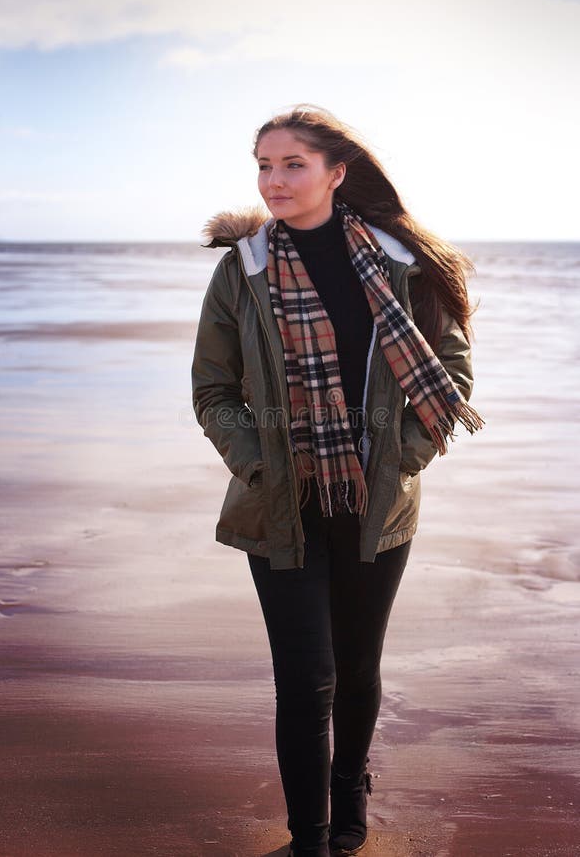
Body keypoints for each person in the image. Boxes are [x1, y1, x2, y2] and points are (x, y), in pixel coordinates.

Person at [191, 105, 483, 857]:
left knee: (357, 670)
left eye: (292, 163)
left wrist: (402, 459)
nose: (274, 179)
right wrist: (262, 463)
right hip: (281, 506)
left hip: (378, 503)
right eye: (263, 164)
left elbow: (449, 376)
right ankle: (310, 838)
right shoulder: (242, 270)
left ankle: (350, 790)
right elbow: (213, 391)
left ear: (335, 173)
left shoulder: (401, 265)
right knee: (306, 679)